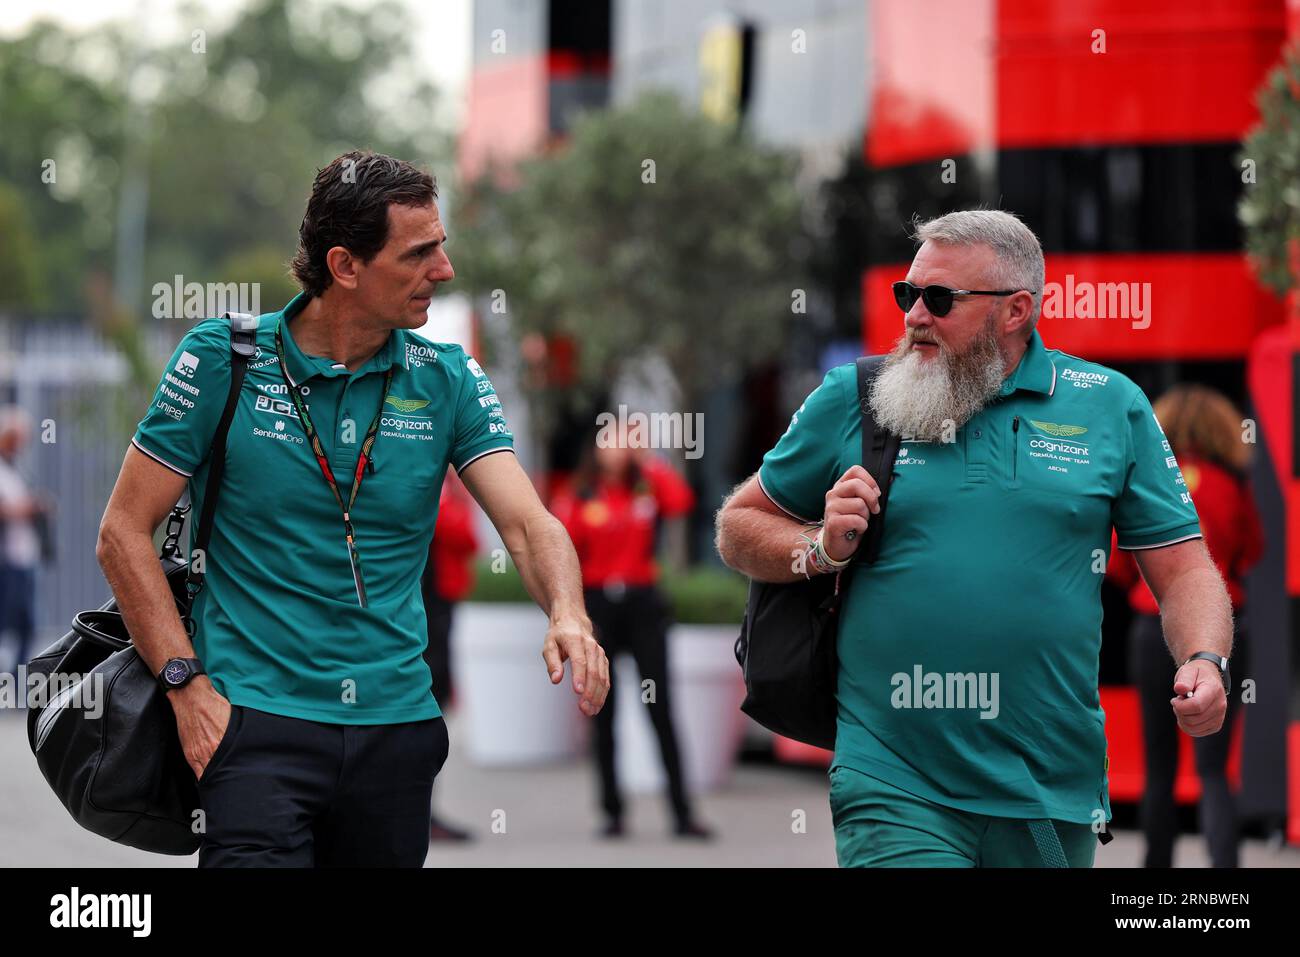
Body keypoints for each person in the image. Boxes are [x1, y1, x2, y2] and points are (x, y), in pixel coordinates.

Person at [97, 150, 609, 867]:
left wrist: (567, 611)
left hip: (395, 732)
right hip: (252, 725)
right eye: (419, 253)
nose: (445, 269)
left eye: (443, 245)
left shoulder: (446, 376)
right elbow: (122, 531)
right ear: (345, 266)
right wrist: (185, 687)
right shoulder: (223, 359)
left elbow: (527, 524)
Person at [716, 209, 1234, 868]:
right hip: (894, 779)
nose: (914, 316)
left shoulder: (1110, 405)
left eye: (939, 298)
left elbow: (1185, 568)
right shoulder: (857, 395)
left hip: (1050, 791)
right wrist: (820, 546)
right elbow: (739, 525)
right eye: (908, 294)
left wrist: (1204, 658)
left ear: (1016, 310)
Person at [1108, 385, 1263, 867]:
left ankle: (1155, 869)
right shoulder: (1230, 484)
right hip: (1220, 634)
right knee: (1214, 771)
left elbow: (1116, 565)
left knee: (1160, 768)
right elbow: (1252, 553)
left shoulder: (1153, 486)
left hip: (1151, 630)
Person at [550, 434, 711, 839]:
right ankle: (612, 812)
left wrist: (650, 459)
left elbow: (681, 502)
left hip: (642, 606)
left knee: (661, 710)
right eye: (610, 440)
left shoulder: (647, 486)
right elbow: (560, 543)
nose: (617, 449)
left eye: (625, 442)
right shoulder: (582, 493)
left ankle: (682, 812)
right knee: (603, 710)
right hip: (600, 607)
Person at [422, 469, 478, 842]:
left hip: (438, 608)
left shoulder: (444, 490)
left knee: (434, 709)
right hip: (420, 613)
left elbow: (467, 539)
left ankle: (426, 809)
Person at [0, 406, 50, 679]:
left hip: (24, 558)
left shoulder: (17, 468)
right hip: (7, 562)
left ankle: (16, 684)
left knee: (27, 627)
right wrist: (31, 507)